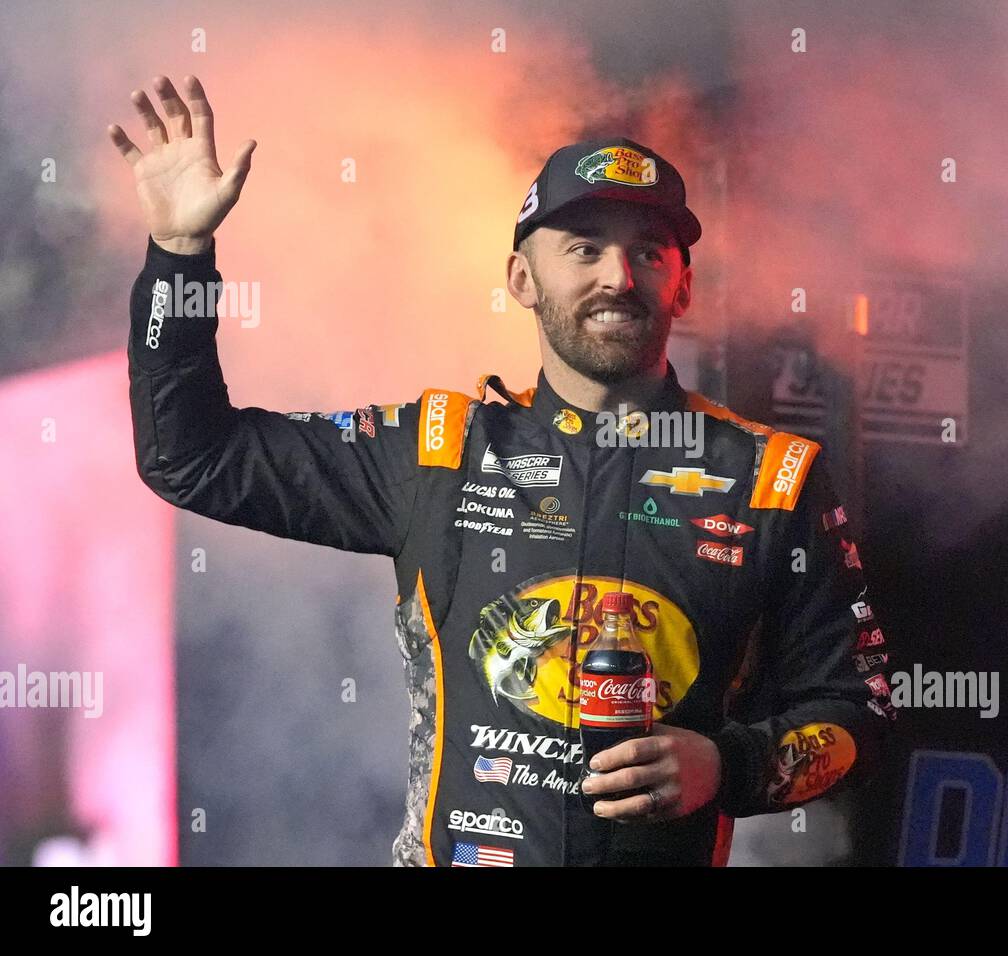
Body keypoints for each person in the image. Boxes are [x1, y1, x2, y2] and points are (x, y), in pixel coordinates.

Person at [109, 74, 898, 867]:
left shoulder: (773, 475)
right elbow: (191, 456)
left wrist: (730, 766)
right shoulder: (440, 449)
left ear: (682, 285)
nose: (618, 278)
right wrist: (180, 256)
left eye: (648, 253)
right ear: (522, 280)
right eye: (584, 249)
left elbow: (859, 712)